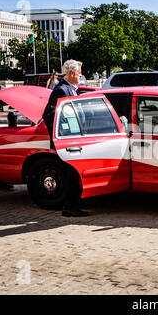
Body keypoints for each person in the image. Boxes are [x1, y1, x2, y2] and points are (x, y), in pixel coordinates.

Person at [42, 59, 89, 217]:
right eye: (79, 73)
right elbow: (49, 115)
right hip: (66, 142)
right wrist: (62, 135)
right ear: (71, 73)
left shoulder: (71, 89)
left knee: (74, 174)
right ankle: (69, 207)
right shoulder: (62, 90)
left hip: (74, 139)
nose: (81, 76)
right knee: (70, 174)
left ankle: (72, 206)